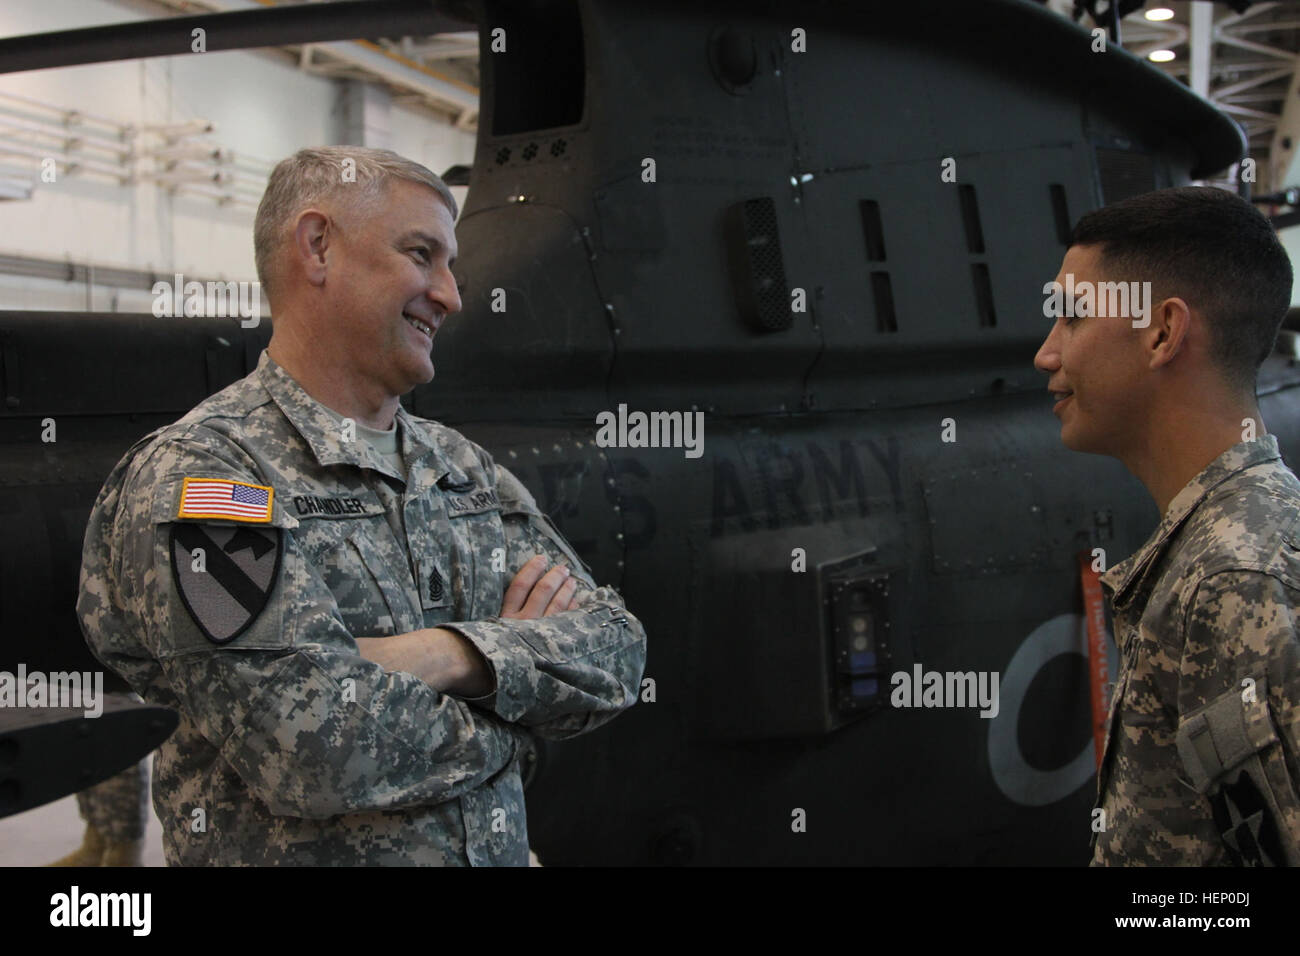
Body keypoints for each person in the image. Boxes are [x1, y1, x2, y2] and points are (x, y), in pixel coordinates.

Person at [77, 146, 647, 866]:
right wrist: (519, 724)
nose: (451, 294)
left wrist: (449, 654)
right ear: (318, 247)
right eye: (421, 254)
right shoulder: (209, 478)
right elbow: (312, 746)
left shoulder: (459, 467)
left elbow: (617, 651)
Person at [1034, 185, 1300, 866]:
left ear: (1162, 332)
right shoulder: (1229, 546)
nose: (1046, 353)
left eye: (1071, 318)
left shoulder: (1233, 581)